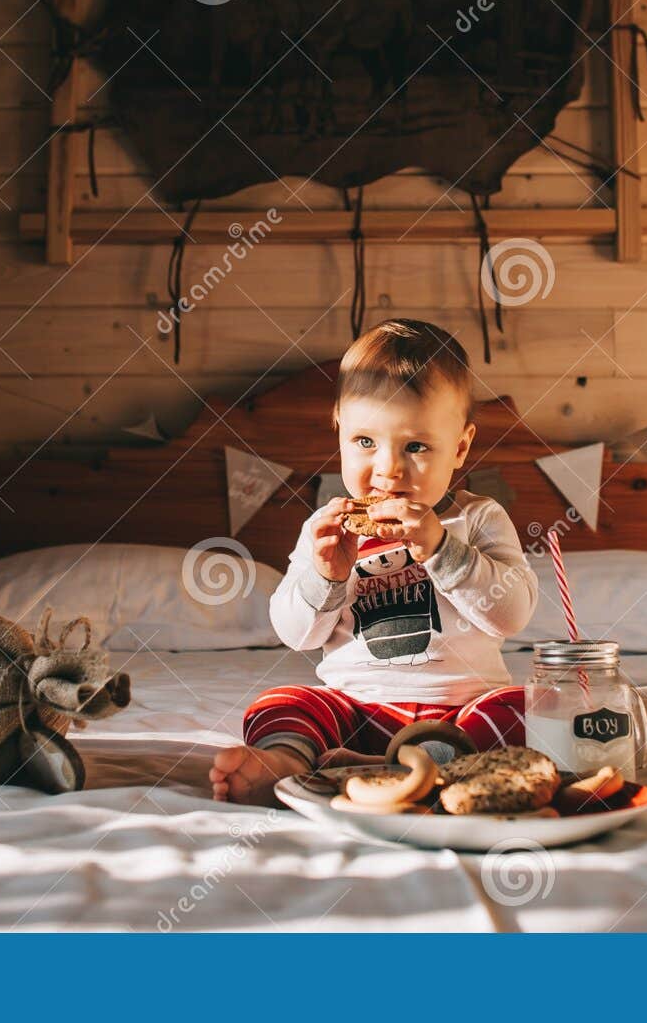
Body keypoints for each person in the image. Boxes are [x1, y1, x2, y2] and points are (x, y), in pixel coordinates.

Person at [210, 318, 539, 805]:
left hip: (458, 713)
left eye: (416, 446)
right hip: (354, 712)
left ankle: (423, 762)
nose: (388, 469)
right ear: (339, 429)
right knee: (283, 703)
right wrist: (326, 575)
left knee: (529, 709)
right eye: (366, 442)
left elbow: (511, 614)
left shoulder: (477, 519)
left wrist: (441, 550)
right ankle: (287, 760)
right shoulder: (328, 528)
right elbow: (297, 635)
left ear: (460, 448)